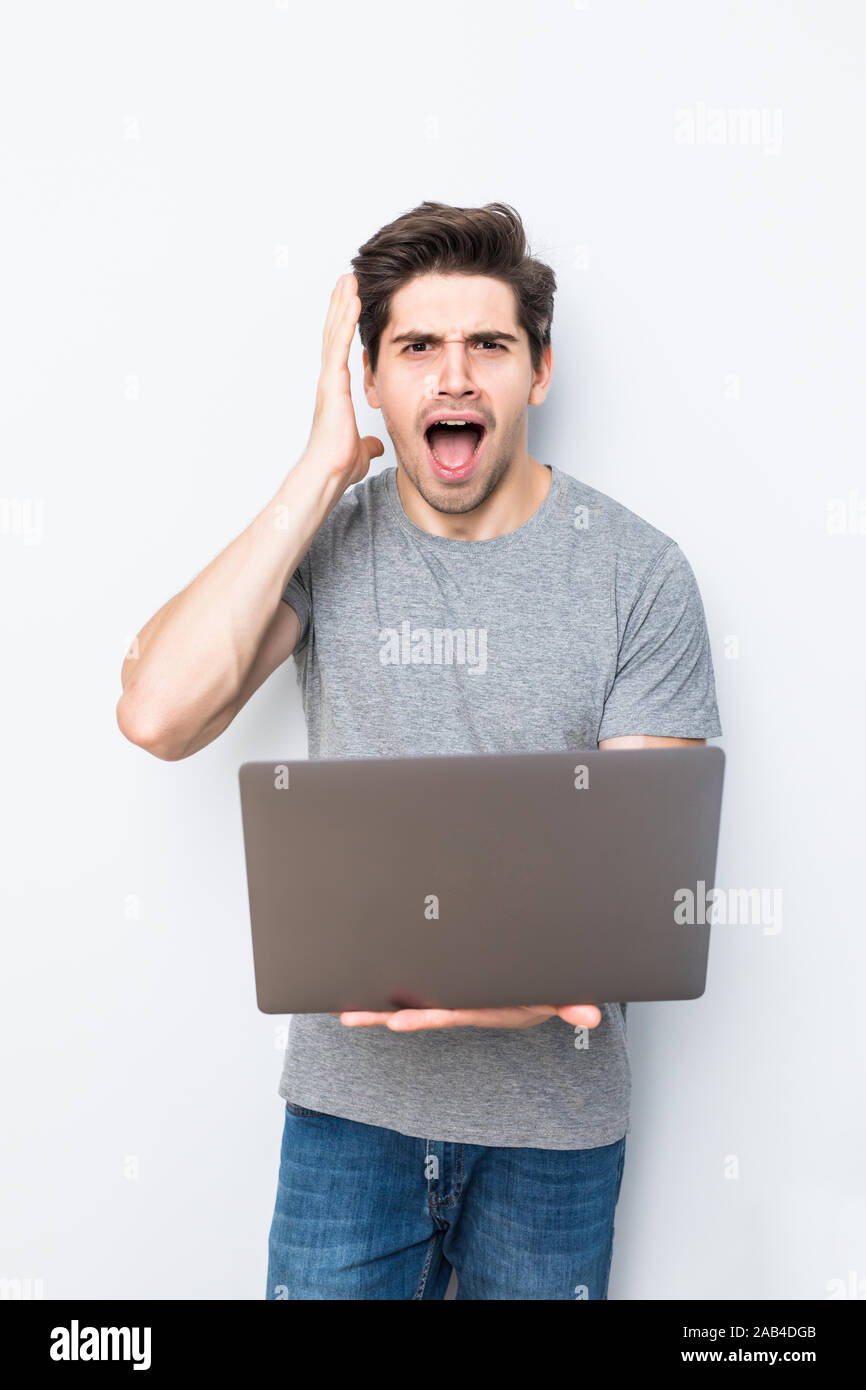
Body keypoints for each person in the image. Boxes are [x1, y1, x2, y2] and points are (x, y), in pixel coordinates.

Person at [116, 200, 722, 1300]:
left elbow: (636, 907)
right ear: (371, 377)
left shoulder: (637, 574)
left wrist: (520, 995)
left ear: (538, 370)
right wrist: (319, 468)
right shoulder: (327, 541)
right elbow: (158, 712)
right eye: (415, 348)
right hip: (349, 1115)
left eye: (487, 344)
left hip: (555, 1133)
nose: (453, 378)